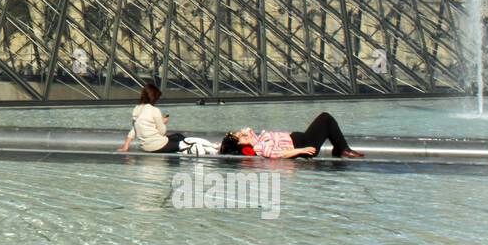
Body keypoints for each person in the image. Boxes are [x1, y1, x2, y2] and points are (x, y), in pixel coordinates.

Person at [220, 112, 365, 159]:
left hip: (303, 141)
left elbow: (247, 130)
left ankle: (340, 149)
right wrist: (301, 151)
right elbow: (279, 154)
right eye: (243, 137)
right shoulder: (260, 147)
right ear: (242, 144)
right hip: (304, 144)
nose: (246, 134)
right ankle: (343, 149)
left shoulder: (256, 140)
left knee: (325, 121)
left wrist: (237, 136)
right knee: (325, 118)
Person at [117, 83, 184, 153]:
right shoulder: (154, 110)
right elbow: (162, 132)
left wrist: (126, 145)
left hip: (145, 147)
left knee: (177, 136)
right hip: (158, 146)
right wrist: (163, 122)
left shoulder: (136, 109)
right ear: (154, 97)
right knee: (182, 140)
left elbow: (134, 129)